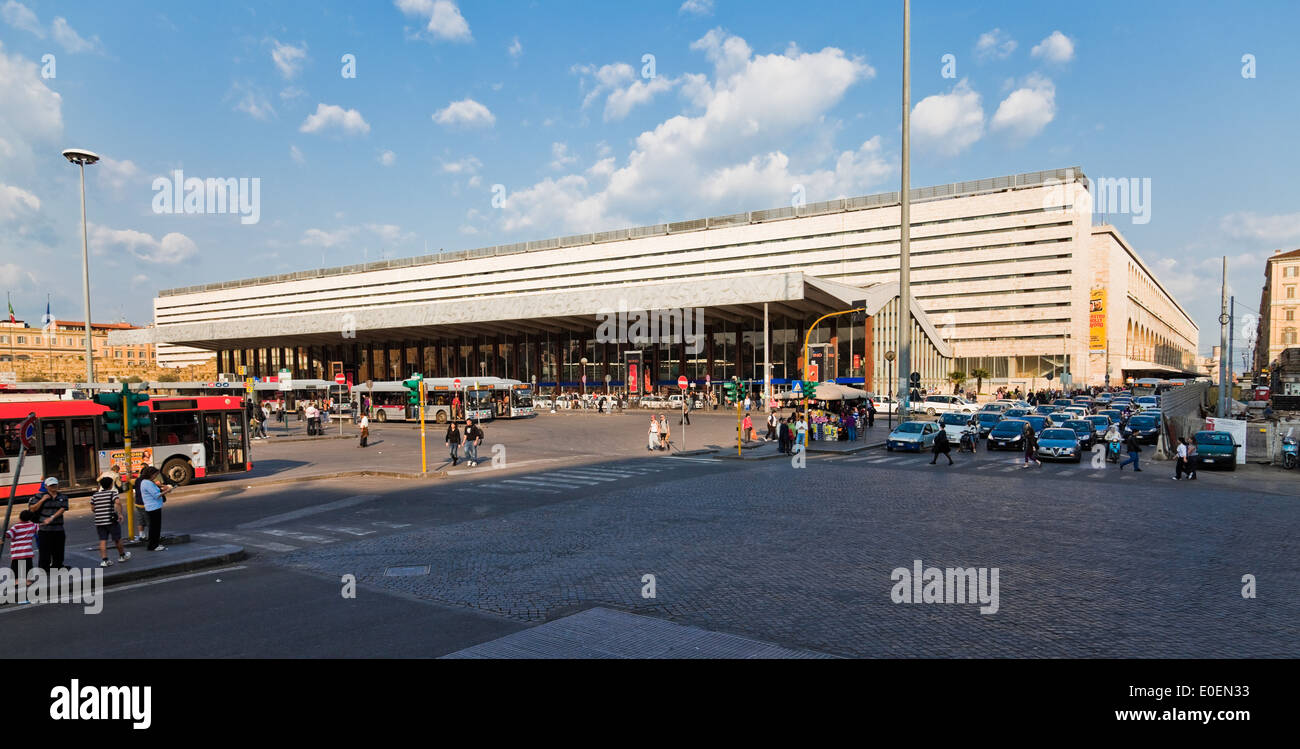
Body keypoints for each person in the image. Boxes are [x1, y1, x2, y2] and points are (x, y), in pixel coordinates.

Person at [90, 474, 131, 568]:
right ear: (111, 485)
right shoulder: (112, 493)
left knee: (103, 540)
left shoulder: (95, 495)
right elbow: (118, 503)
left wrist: (100, 512)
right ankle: (122, 556)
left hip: (99, 521)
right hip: (111, 520)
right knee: (117, 538)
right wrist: (120, 514)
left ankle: (105, 560)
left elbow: (93, 508)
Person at [28, 477, 69, 570]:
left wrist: (51, 518)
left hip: (58, 528)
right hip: (44, 529)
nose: (53, 487)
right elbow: (32, 509)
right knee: (44, 551)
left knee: (59, 550)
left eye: (55, 484)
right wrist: (42, 500)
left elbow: (62, 509)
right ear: (46, 486)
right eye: (51, 485)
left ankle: (57, 566)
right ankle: (44, 569)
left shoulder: (63, 497)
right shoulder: (38, 496)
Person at [137, 466, 172, 551]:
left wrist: (162, 487)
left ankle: (154, 544)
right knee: (155, 528)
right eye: (155, 474)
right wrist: (168, 490)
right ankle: (153, 545)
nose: (156, 476)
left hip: (153, 507)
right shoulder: (147, 483)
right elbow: (156, 495)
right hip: (153, 507)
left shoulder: (146, 482)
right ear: (150, 474)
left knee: (154, 527)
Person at [4, 509, 38, 580]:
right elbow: (39, 527)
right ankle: (27, 581)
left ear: (19, 517)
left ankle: (16, 581)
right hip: (27, 552)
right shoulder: (32, 525)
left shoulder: (16, 527)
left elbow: (8, 535)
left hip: (17, 553)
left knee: (15, 567)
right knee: (28, 567)